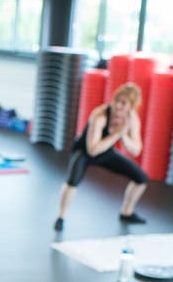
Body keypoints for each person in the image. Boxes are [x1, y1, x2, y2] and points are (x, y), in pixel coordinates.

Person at [54, 83, 147, 231]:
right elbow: (92, 150)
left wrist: (123, 135)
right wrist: (117, 134)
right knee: (72, 182)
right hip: (84, 151)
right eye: (116, 100)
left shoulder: (132, 119)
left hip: (105, 151)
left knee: (141, 178)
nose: (118, 106)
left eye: (123, 103)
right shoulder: (100, 115)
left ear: (131, 107)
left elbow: (136, 150)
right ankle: (61, 217)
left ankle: (126, 212)